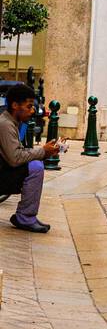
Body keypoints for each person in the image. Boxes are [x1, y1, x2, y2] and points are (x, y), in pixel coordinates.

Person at [0, 83, 59, 233]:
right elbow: (14, 158)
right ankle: (25, 217)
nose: (32, 110)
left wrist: (45, 151)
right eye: (29, 106)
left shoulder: (12, 122)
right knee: (35, 167)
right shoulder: (5, 124)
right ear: (15, 105)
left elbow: (17, 152)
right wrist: (42, 152)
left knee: (35, 163)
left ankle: (26, 216)